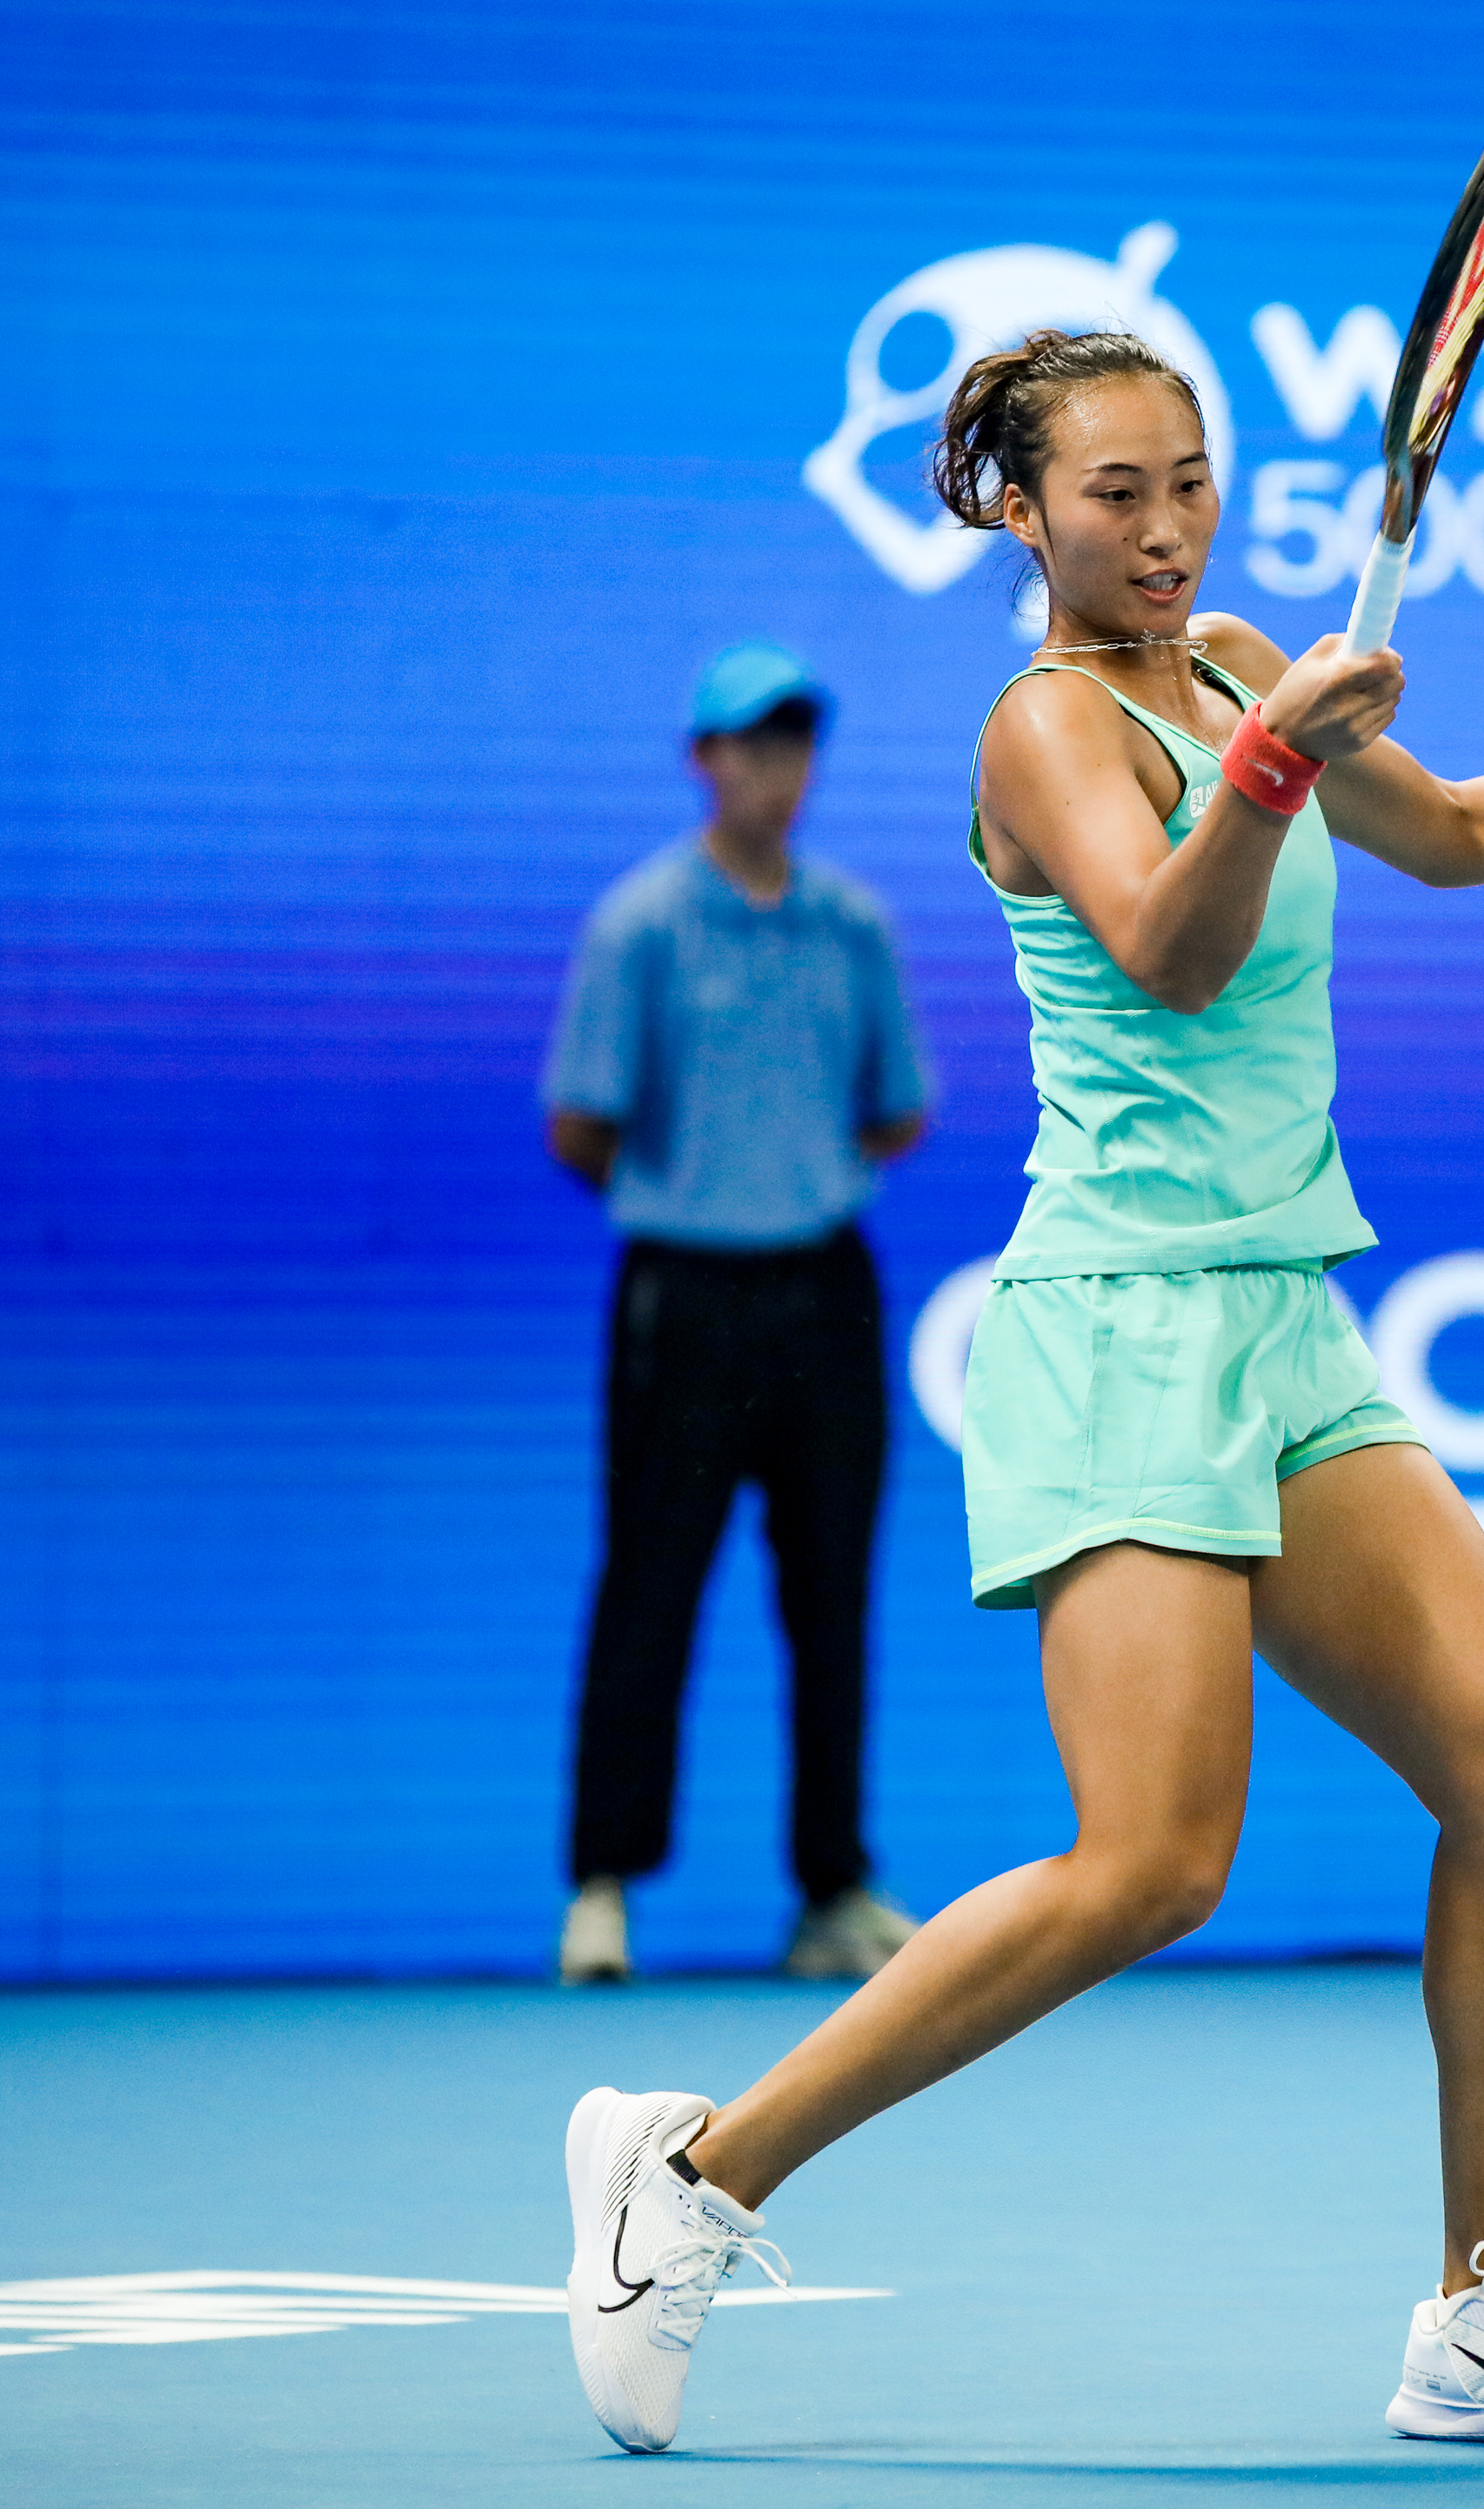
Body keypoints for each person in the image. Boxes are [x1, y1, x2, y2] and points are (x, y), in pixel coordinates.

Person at [560, 331, 1484, 2454]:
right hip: (1119, 1325)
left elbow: (1462, 828)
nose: (1169, 524)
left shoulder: (1230, 664)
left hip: (1283, 1312)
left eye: (1191, 479)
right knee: (1150, 1863)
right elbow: (1170, 949)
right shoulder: (1041, 726)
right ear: (1024, 511)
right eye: (1116, 491)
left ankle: (1481, 2319)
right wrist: (1273, 758)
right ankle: (696, 2173)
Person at [541, 639, 933, 1989]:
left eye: (796, 741)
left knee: (833, 1599)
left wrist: (788, 1179)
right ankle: (602, 1889)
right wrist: (703, 1189)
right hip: (685, 1296)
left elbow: (898, 1106)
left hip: (823, 1291)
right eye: (750, 742)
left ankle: (832, 1888)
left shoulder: (854, 925)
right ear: (702, 760)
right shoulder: (639, 925)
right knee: (650, 1591)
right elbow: (581, 1122)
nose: (778, 768)